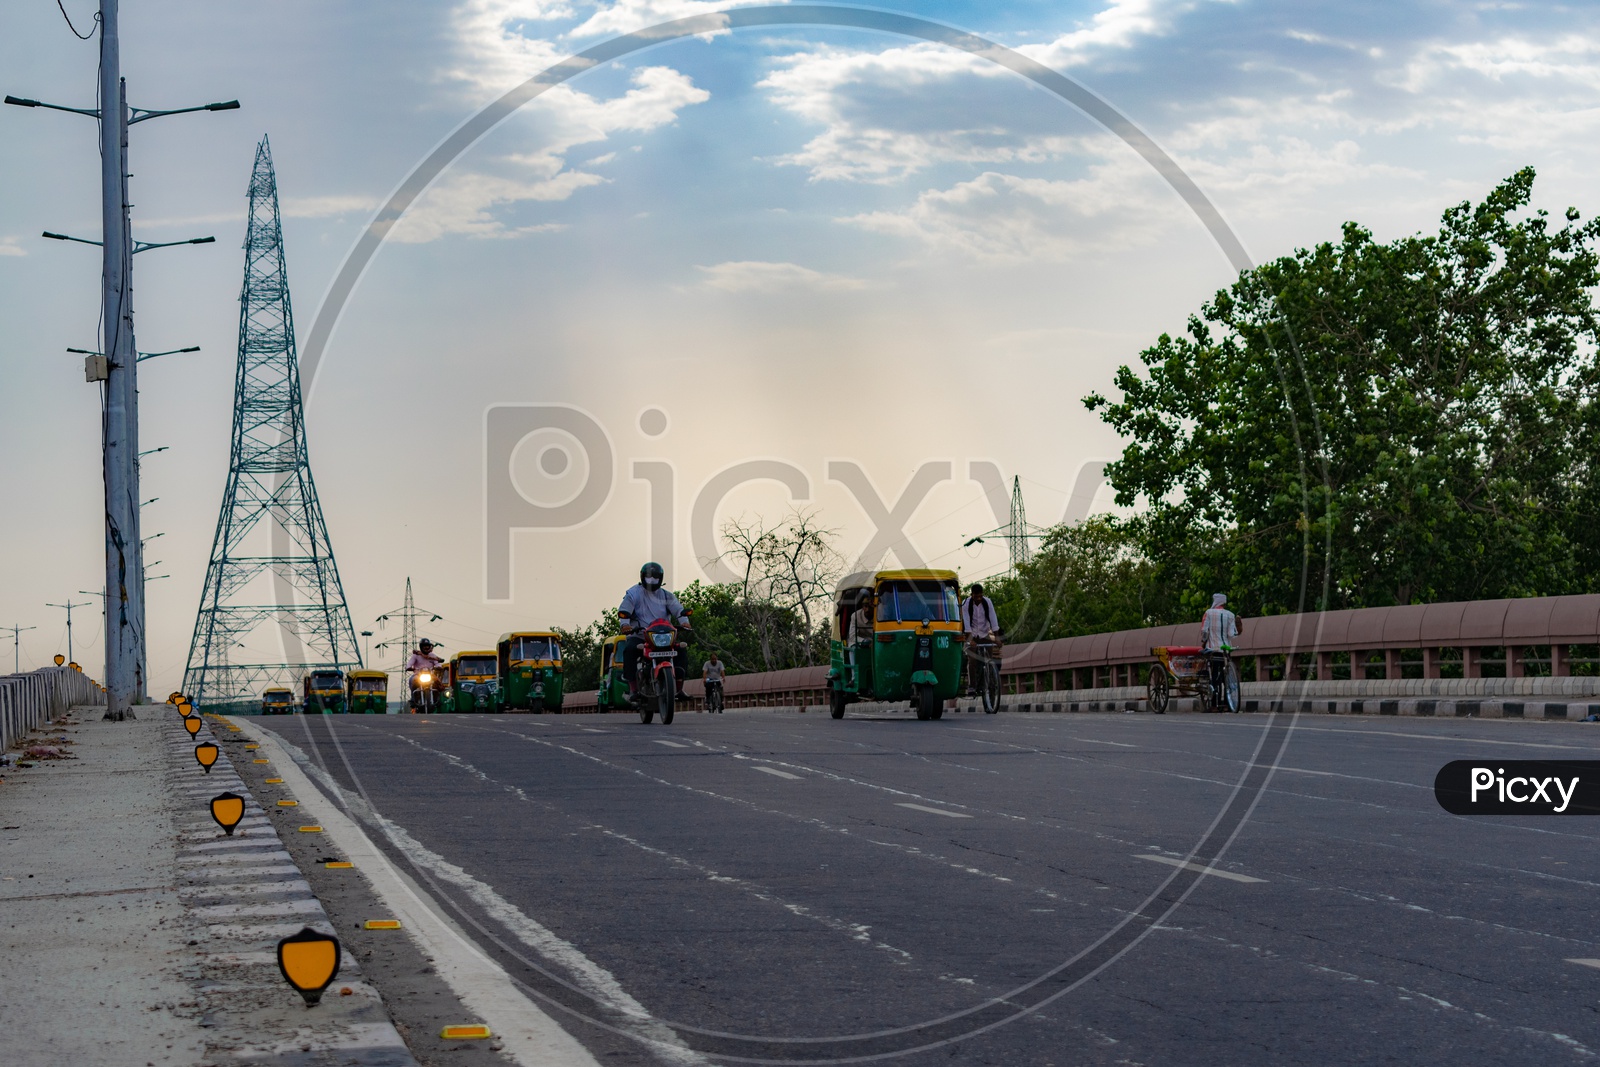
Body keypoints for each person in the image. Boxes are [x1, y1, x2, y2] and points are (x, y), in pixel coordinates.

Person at [619, 562, 693, 701]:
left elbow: (678, 610)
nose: (651, 581)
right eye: (649, 578)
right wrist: (625, 625)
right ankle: (633, 689)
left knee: (681, 650)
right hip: (640, 635)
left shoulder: (666, 596)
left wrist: (684, 622)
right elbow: (624, 611)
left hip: (663, 636)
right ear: (642, 577)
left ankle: (679, 688)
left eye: (655, 578)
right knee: (629, 650)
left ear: (661, 579)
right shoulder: (633, 594)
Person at [1200, 593, 1243, 711]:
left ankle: (1214, 704)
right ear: (1224, 602)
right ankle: (1228, 704)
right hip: (1225, 649)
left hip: (1213, 648)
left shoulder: (1208, 613)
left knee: (1214, 674)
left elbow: (1204, 632)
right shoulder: (1230, 615)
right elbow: (1232, 634)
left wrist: (1203, 642)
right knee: (1226, 675)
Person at [961, 583, 1002, 697]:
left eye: (980, 596)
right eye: (976, 596)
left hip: (984, 633)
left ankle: (988, 683)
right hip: (972, 634)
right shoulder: (966, 604)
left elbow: (993, 620)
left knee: (989, 659)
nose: (978, 599)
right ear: (972, 595)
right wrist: (970, 640)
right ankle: (972, 686)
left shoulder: (987, 602)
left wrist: (997, 638)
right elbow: (966, 623)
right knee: (972, 660)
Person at [406, 639, 444, 709]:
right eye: (424, 646)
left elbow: (437, 663)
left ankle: (438, 699)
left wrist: (438, 667)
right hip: (418, 675)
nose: (426, 647)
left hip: (430, 675)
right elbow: (409, 664)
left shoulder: (432, 655)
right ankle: (413, 699)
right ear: (421, 647)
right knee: (412, 680)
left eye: (427, 646)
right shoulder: (416, 655)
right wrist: (409, 667)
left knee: (438, 683)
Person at [848, 592, 875, 682]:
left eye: (870, 607)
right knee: (853, 647)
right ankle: (854, 678)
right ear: (862, 607)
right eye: (865, 606)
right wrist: (865, 641)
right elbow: (852, 636)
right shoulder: (855, 616)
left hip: (876, 641)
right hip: (861, 641)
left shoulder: (881, 614)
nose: (867, 609)